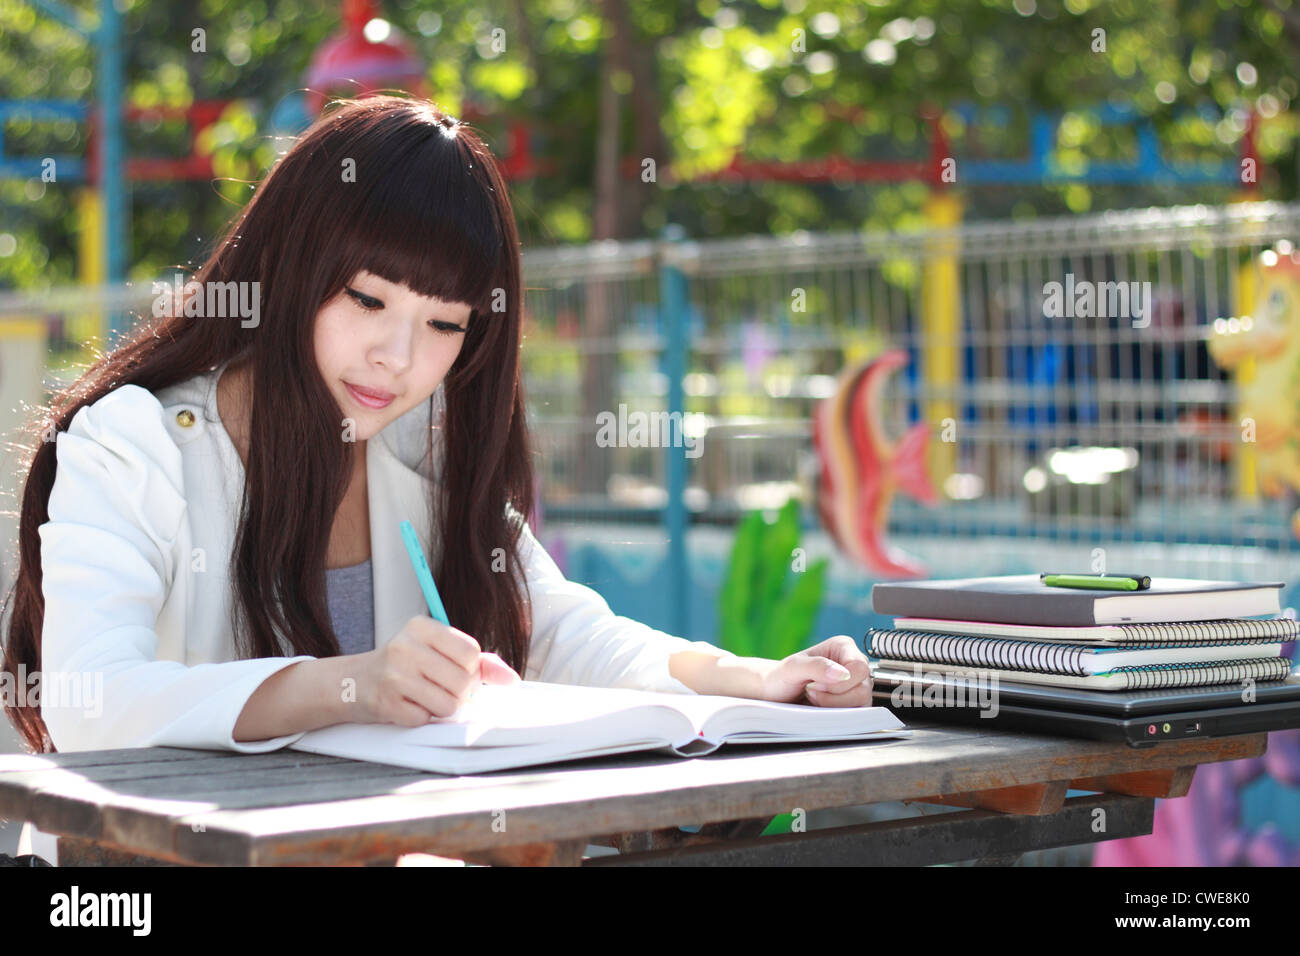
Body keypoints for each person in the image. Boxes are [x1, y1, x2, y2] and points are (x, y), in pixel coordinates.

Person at [1, 95, 872, 865]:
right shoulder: (134, 444)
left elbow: (570, 635)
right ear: (288, 267)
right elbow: (92, 702)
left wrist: (755, 680)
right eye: (367, 300)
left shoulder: (423, 451)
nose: (399, 357)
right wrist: (349, 684)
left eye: (444, 323)